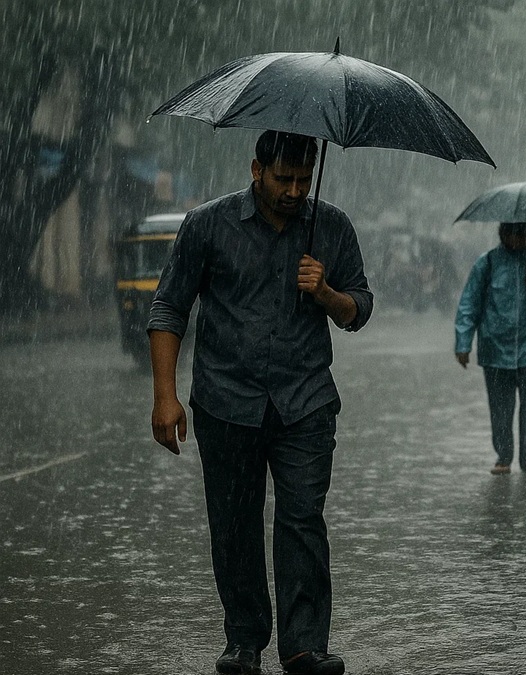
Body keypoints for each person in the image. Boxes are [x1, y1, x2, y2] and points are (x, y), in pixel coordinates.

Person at [148, 131, 372, 675]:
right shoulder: (208, 224)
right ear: (256, 169)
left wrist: (325, 292)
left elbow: (358, 310)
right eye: (282, 179)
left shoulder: (332, 228)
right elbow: (169, 308)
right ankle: (244, 640)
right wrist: (165, 398)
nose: (294, 191)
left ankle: (304, 645)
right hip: (226, 403)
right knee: (234, 524)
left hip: (306, 404)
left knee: (302, 519)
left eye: (302, 180)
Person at [454, 222, 526, 475]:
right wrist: (463, 342)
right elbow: (469, 303)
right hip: (496, 348)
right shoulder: (488, 263)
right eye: (521, 232)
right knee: (500, 407)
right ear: (505, 234)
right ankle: (503, 456)